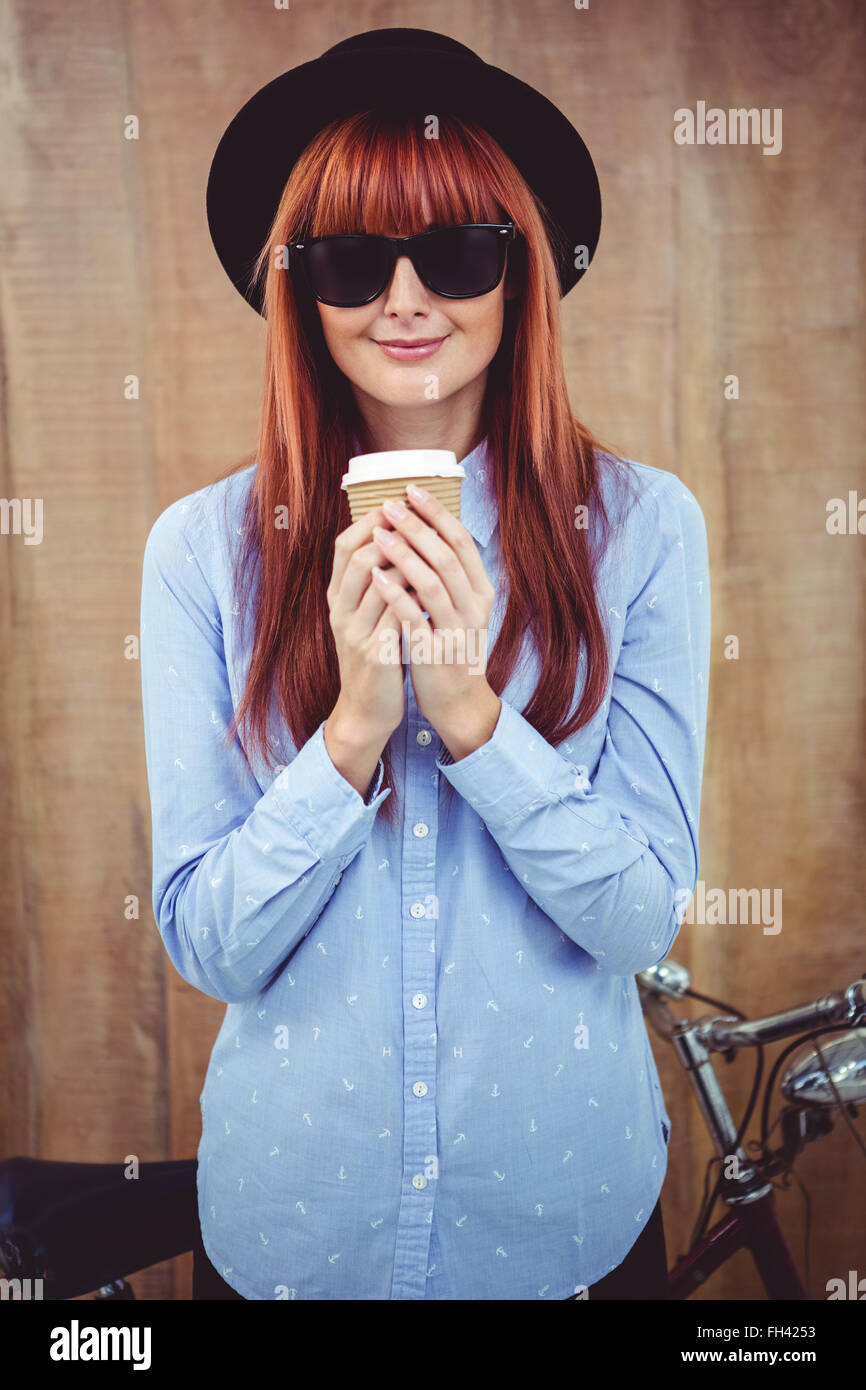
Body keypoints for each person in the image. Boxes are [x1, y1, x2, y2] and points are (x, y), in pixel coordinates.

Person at [140, 28, 710, 1301]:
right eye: (352, 259)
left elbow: (637, 913)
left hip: (564, 1228)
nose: (405, 302)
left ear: (518, 278)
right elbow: (210, 944)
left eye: (455, 251)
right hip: (294, 1239)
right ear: (301, 287)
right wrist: (349, 734)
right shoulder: (200, 552)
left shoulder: (639, 528)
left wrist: (468, 714)